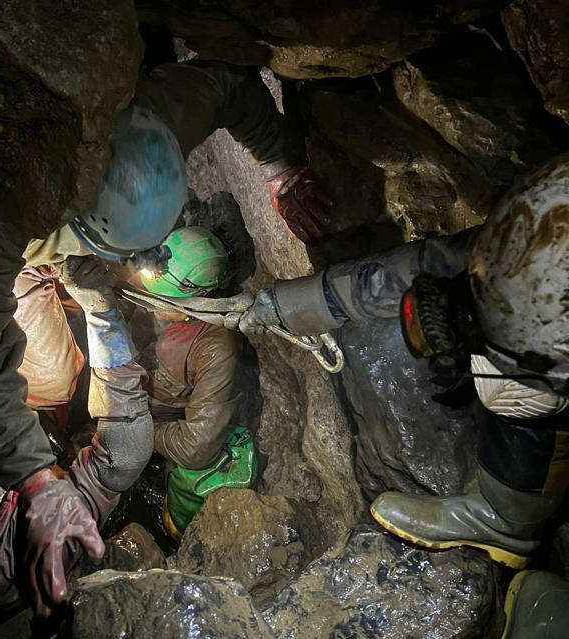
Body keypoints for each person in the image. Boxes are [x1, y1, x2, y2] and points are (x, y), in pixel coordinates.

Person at [0, 60, 334, 615]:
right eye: (122, 255)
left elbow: (234, 88)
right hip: (19, 253)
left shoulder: (154, 120)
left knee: (62, 382)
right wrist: (32, 479)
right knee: (49, 377)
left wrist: (281, 170)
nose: (138, 271)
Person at [237, 155, 569, 638]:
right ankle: (506, 519)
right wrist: (283, 307)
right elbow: (425, 267)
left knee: (518, 392)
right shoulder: (544, 242)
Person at [130, 225, 257, 541]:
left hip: (152, 424)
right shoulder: (154, 278)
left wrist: (139, 430)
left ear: (199, 299)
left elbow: (195, 448)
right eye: (150, 291)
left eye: (162, 300)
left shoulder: (215, 348)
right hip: (129, 398)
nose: (148, 303)